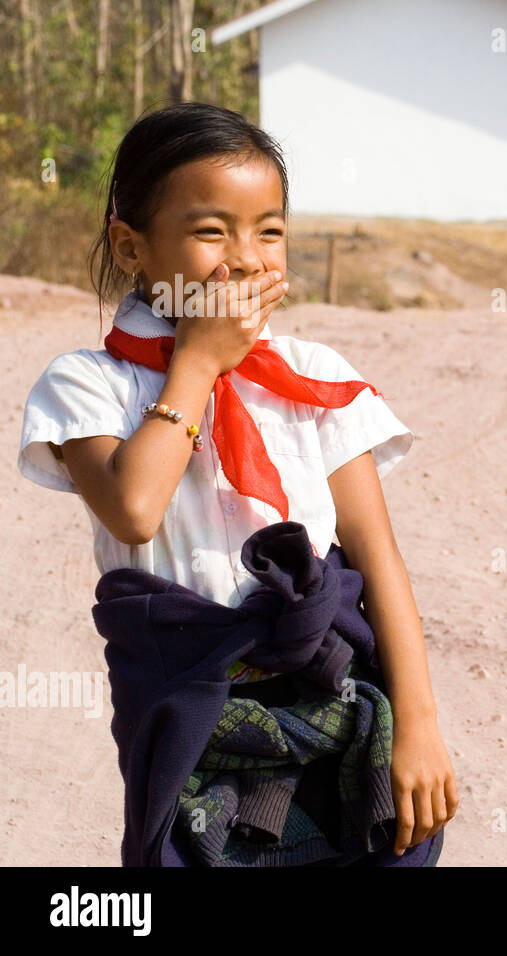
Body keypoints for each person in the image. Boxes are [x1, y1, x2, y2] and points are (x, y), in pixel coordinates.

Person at [17, 102, 457, 866]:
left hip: (335, 700)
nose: (249, 258)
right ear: (131, 246)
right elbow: (134, 509)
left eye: (271, 229)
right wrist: (196, 363)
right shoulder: (87, 386)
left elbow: (378, 559)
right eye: (212, 231)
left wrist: (418, 725)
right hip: (190, 713)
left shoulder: (315, 378)